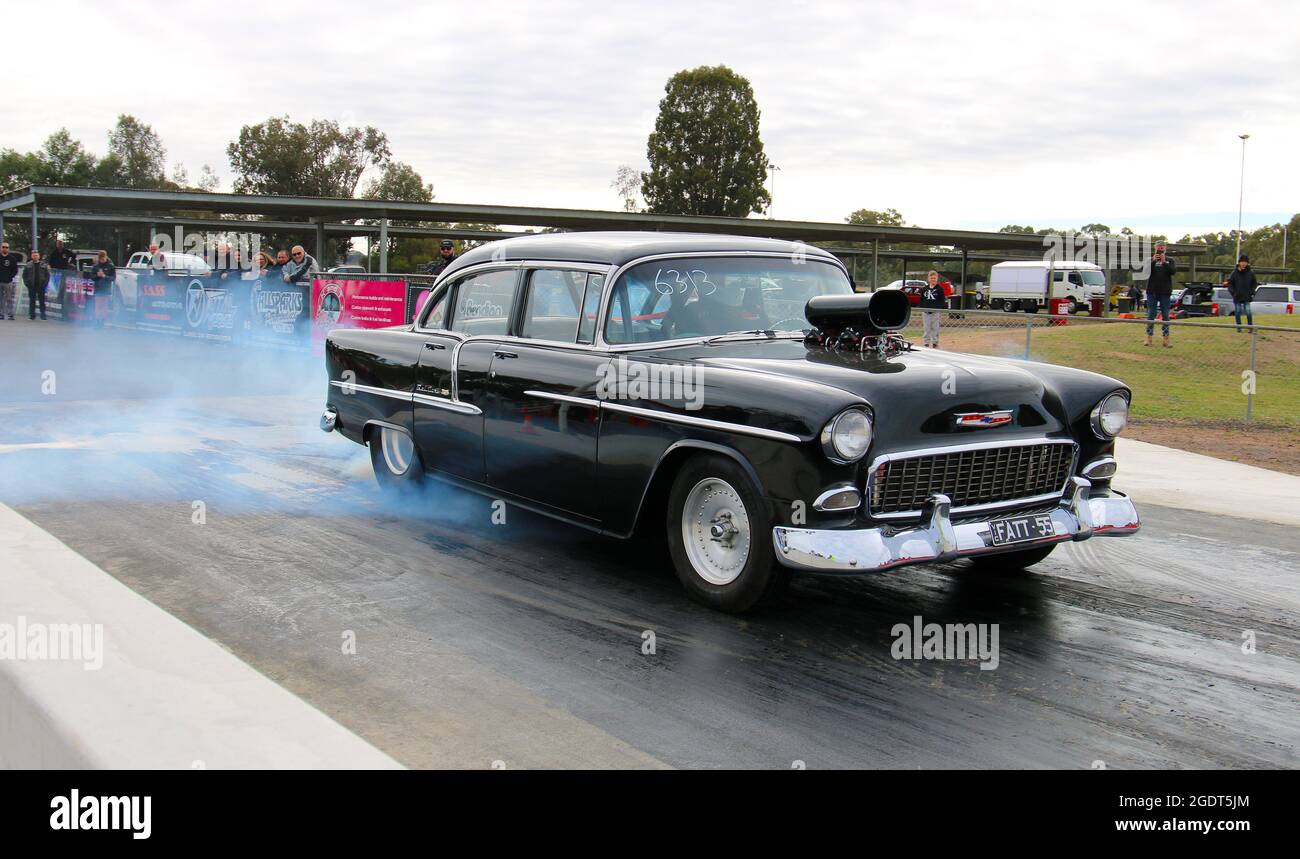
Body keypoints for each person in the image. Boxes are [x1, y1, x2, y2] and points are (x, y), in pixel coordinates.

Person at [1144, 243, 1177, 347]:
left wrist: (1164, 262)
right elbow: (1145, 272)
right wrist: (1154, 261)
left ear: (1165, 249)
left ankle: (1166, 339)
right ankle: (1149, 338)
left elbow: (1173, 272)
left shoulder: (1170, 260)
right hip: (1152, 292)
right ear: (1155, 249)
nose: (1160, 249)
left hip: (1165, 292)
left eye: (1162, 248)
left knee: (1166, 316)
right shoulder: (1150, 260)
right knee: (1151, 315)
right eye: (1158, 248)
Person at [1222, 253, 1258, 332]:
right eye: (1242, 262)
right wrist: (1233, 293)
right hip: (1237, 296)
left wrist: (1251, 292)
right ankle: (1239, 327)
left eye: (1245, 262)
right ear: (1239, 262)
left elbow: (1254, 283)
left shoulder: (1251, 272)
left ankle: (1250, 327)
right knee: (1237, 312)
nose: (1243, 263)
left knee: (1248, 312)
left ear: (1247, 263)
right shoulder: (1234, 273)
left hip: (1247, 296)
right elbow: (1230, 283)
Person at [918, 269, 946, 348]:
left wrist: (938, 308)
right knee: (926, 328)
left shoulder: (940, 289)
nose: (933, 279)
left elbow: (942, 301)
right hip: (926, 312)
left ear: (937, 278)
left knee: (935, 328)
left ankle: (935, 342)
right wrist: (922, 308)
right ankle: (926, 343)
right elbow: (921, 299)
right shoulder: (924, 289)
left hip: (935, 312)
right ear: (928, 279)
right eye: (931, 278)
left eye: (934, 278)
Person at [22, 250, 50, 320]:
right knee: (32, 301)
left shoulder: (44, 265)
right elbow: (24, 275)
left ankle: (43, 316)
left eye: (36, 255)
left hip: (41, 286)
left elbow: (47, 275)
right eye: (34, 255)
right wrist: (27, 283)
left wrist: (45, 284)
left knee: (42, 302)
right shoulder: (28, 265)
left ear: (39, 256)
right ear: (32, 256)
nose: (35, 257)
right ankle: (32, 316)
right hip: (32, 286)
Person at [90, 250, 115, 326]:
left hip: (106, 289)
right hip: (98, 289)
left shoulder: (110, 266)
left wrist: (105, 276)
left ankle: (102, 321)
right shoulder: (96, 266)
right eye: (101, 259)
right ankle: (98, 321)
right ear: (99, 258)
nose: (102, 260)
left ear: (106, 257)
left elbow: (113, 278)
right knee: (98, 306)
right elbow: (92, 276)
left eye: (103, 259)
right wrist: (97, 275)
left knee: (104, 306)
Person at [0, 241, 19, 320]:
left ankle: (10, 314)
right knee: (0, 298)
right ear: (1, 248)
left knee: (9, 298)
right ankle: (1, 314)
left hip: (8, 282)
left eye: (6, 247)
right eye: (3, 247)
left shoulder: (12, 258)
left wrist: (9, 277)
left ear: (8, 249)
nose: (5, 248)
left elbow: (15, 270)